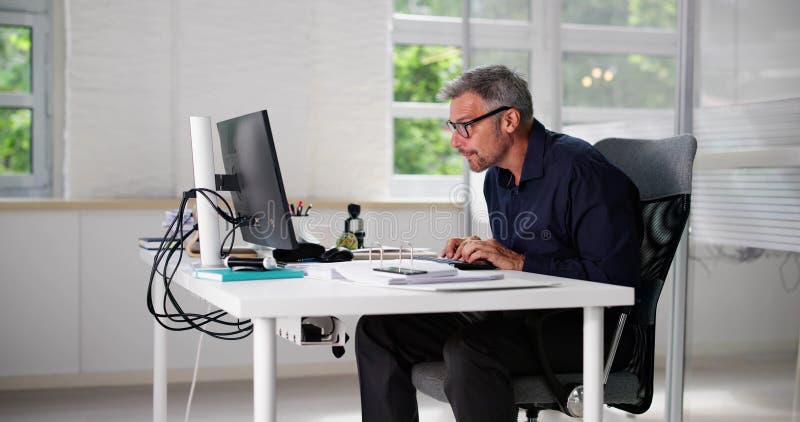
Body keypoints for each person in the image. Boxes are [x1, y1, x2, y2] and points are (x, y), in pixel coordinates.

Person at [355, 65, 643, 422]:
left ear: (508, 120)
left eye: (465, 127)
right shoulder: (498, 180)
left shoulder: (582, 171)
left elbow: (616, 280)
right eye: (453, 128)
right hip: (521, 318)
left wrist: (518, 262)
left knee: (470, 349)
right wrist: (484, 255)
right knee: (380, 329)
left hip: (585, 330)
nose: (455, 140)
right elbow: (524, 258)